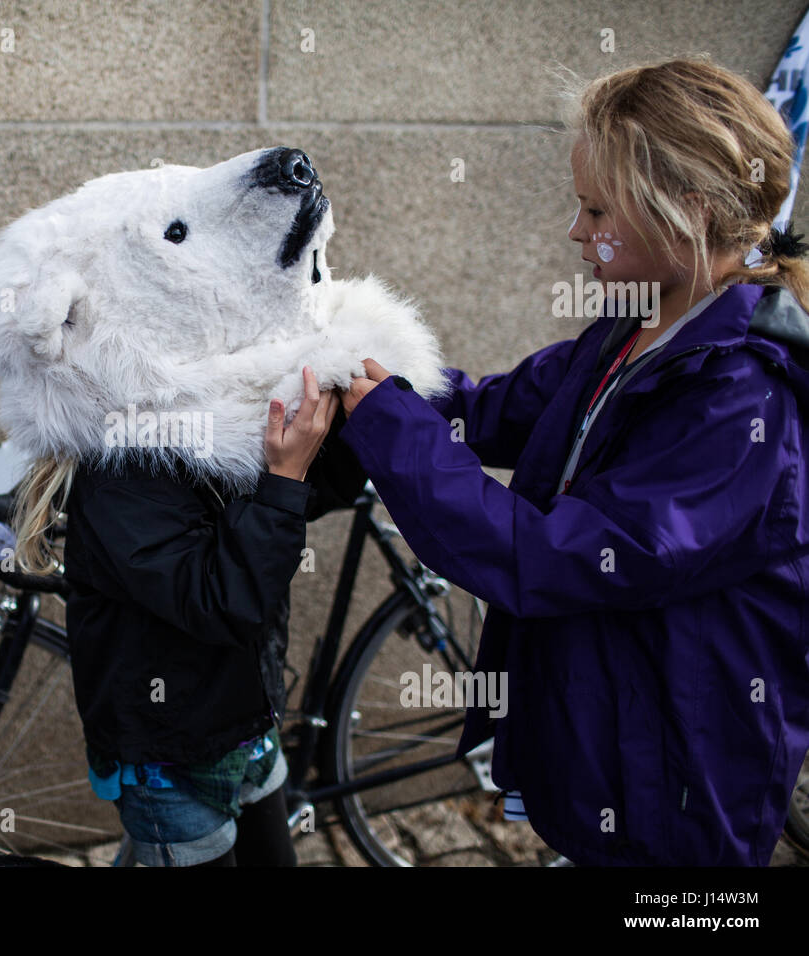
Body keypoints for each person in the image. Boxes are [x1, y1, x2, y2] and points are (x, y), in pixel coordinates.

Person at [339, 56, 809, 866]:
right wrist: (369, 366)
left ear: (688, 213)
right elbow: (496, 408)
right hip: (610, 736)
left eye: (597, 209)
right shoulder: (641, 323)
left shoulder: (744, 400)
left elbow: (562, 556)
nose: (575, 231)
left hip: (678, 774)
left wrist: (387, 429)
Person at [12, 366, 362, 866]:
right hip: (172, 761)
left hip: (250, 725)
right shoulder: (122, 465)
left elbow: (313, 495)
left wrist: (354, 428)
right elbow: (221, 599)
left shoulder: (203, 421)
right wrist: (284, 479)